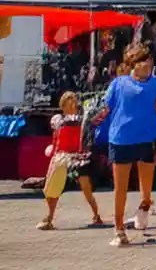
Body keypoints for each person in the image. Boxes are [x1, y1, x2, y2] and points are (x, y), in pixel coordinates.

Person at [95, 45, 156, 247]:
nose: (146, 64)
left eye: (148, 60)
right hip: (121, 139)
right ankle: (119, 230)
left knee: (147, 189)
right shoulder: (118, 84)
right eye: (141, 61)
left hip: (146, 138)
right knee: (121, 188)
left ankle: (143, 209)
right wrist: (96, 119)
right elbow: (107, 108)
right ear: (132, 65)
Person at [38, 91, 103, 230]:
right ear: (63, 104)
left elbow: (87, 136)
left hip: (78, 157)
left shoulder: (82, 119)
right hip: (61, 157)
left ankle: (96, 216)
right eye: (68, 101)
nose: (72, 104)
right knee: (52, 190)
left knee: (86, 188)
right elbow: (56, 141)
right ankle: (49, 217)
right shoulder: (58, 120)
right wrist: (53, 156)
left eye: (73, 101)